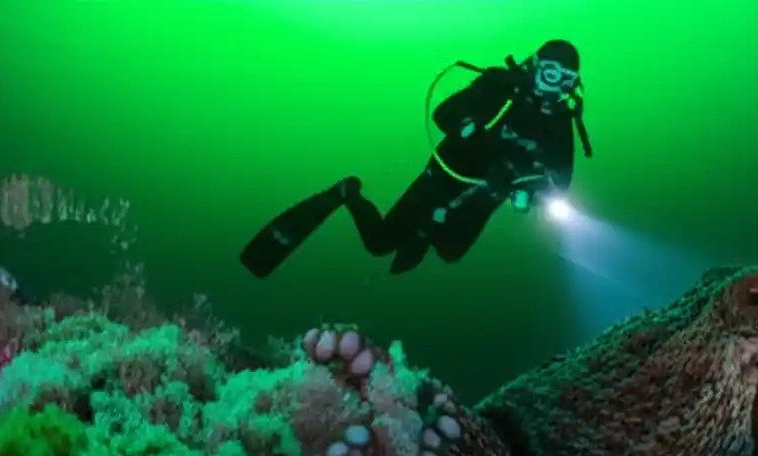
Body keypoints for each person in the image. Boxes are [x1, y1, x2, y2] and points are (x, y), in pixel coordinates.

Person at [240, 39, 592, 278]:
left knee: (451, 252)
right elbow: (445, 114)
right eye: (549, 74)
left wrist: (525, 186)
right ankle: (348, 193)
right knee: (379, 244)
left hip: (485, 197)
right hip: (444, 177)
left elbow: (561, 181)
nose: (553, 87)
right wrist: (487, 154)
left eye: (565, 81)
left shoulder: (561, 122)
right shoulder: (501, 86)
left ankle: (424, 233)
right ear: (534, 66)